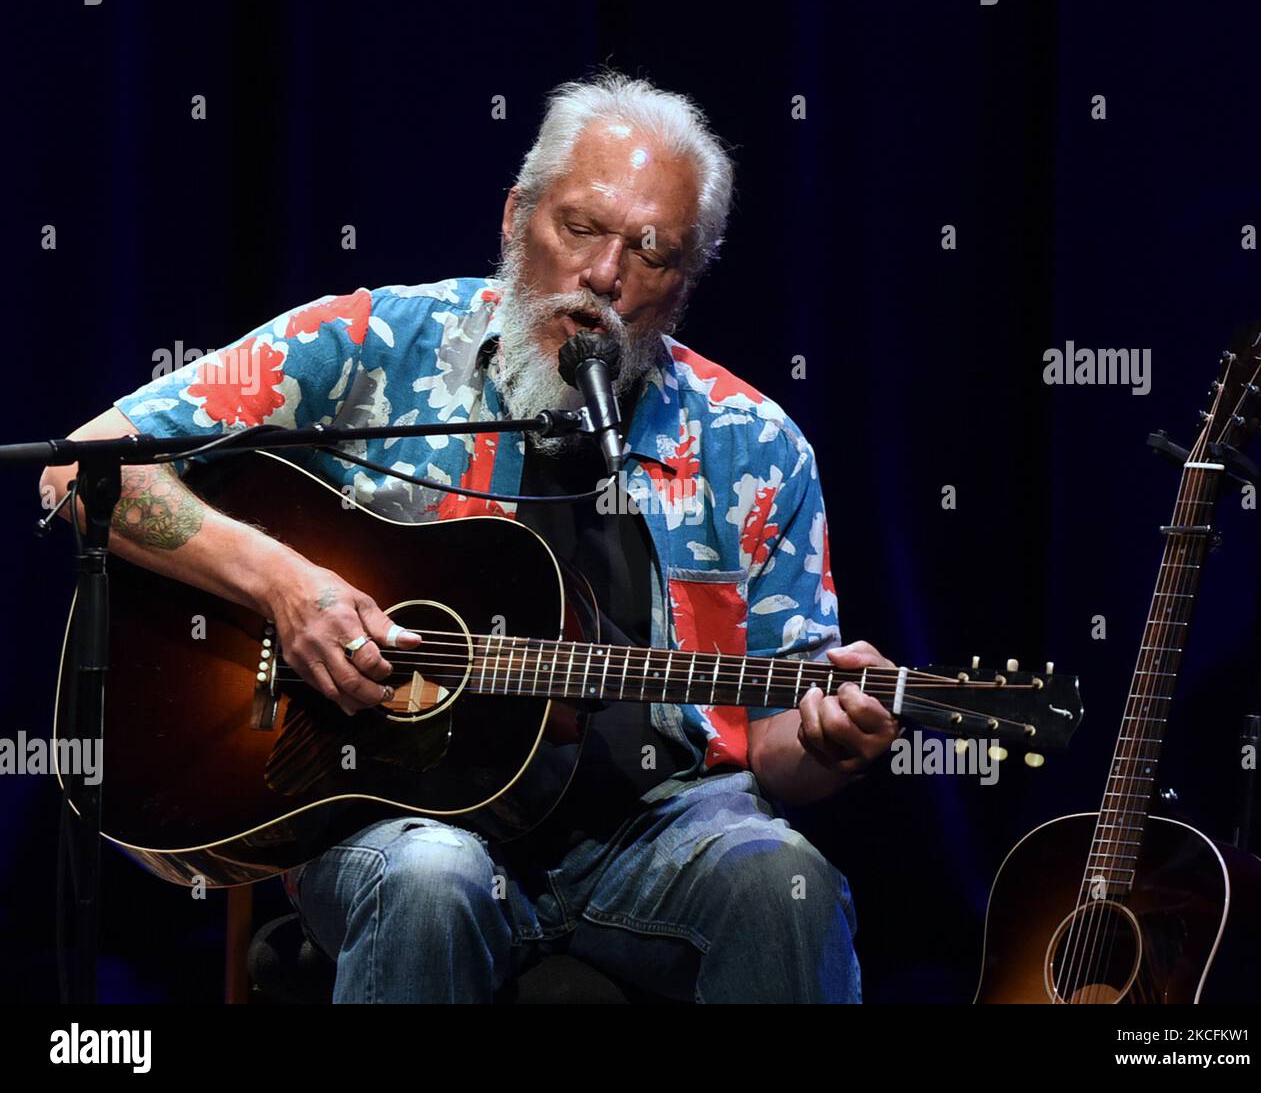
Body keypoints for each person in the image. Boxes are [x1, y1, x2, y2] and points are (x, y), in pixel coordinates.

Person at [41, 73, 900, 1003]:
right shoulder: (375, 344)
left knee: (783, 881)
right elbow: (84, 467)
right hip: (402, 822)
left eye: (652, 252)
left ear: (687, 280)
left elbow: (776, 743)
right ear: (512, 218)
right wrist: (291, 588)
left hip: (659, 831)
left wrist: (829, 742)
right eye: (580, 229)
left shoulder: (757, 445)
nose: (605, 278)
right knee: (430, 881)